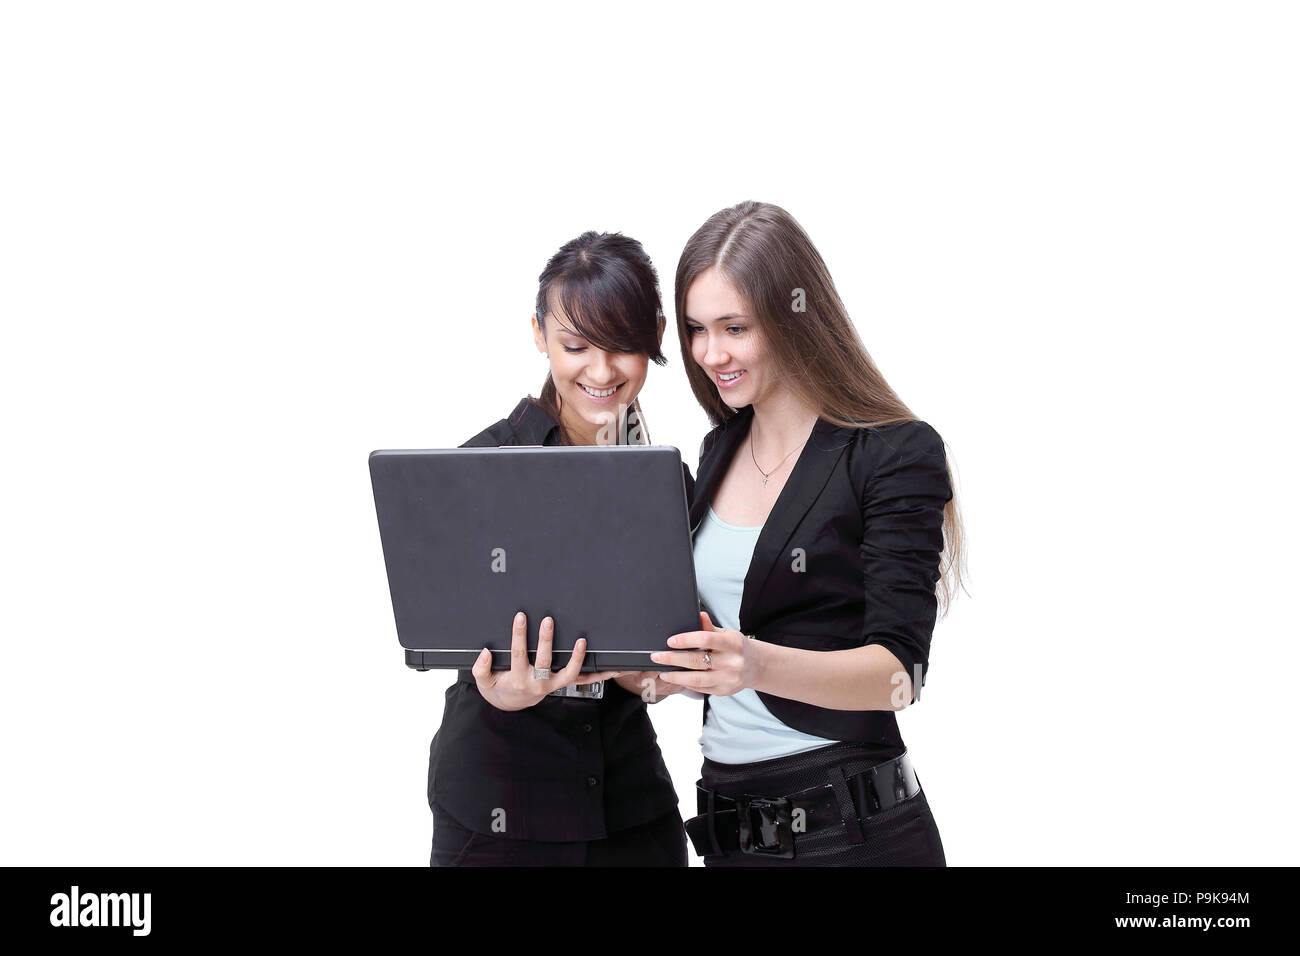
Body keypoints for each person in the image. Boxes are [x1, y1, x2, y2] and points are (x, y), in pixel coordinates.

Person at [654, 201, 966, 866]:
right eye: (696, 330)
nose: (712, 353)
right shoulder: (718, 452)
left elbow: (898, 675)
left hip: (852, 834)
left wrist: (752, 664)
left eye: (735, 327)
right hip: (731, 832)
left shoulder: (893, 454)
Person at [427, 230, 690, 867]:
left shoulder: (669, 483)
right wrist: (504, 691)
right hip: (497, 811)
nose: (600, 373)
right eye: (576, 346)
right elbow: (457, 635)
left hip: (629, 812)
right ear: (540, 335)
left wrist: (663, 677)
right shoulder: (483, 467)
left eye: (624, 346)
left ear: (656, 335)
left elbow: (675, 652)